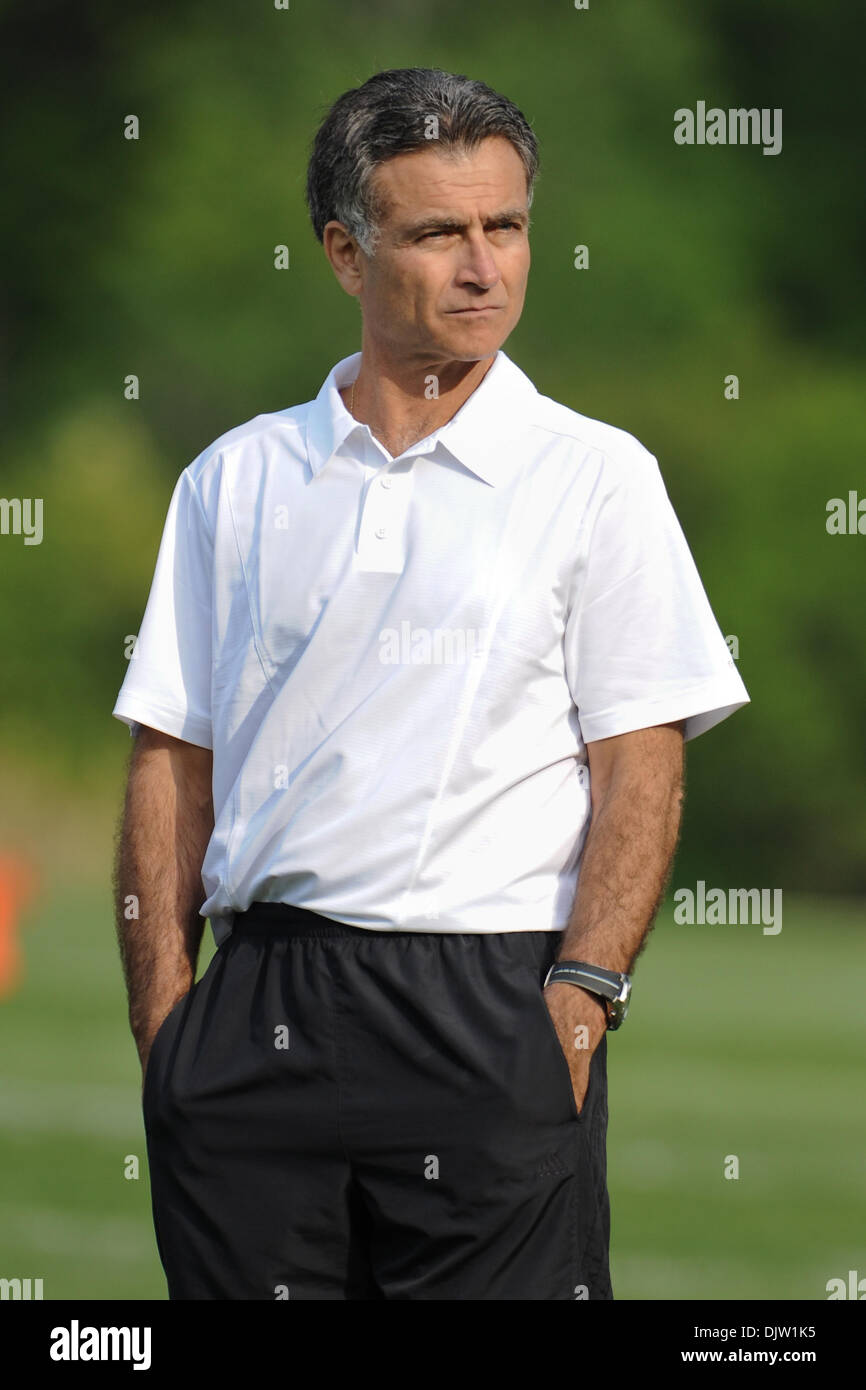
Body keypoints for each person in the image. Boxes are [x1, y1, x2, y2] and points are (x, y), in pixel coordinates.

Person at [112, 67, 749, 1301]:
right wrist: (168, 1033)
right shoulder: (233, 480)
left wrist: (579, 998)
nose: (483, 266)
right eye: (437, 233)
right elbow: (169, 762)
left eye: (503, 227)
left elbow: (639, 760)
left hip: (491, 1006)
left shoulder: (597, 477)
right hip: (261, 1006)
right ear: (347, 255)